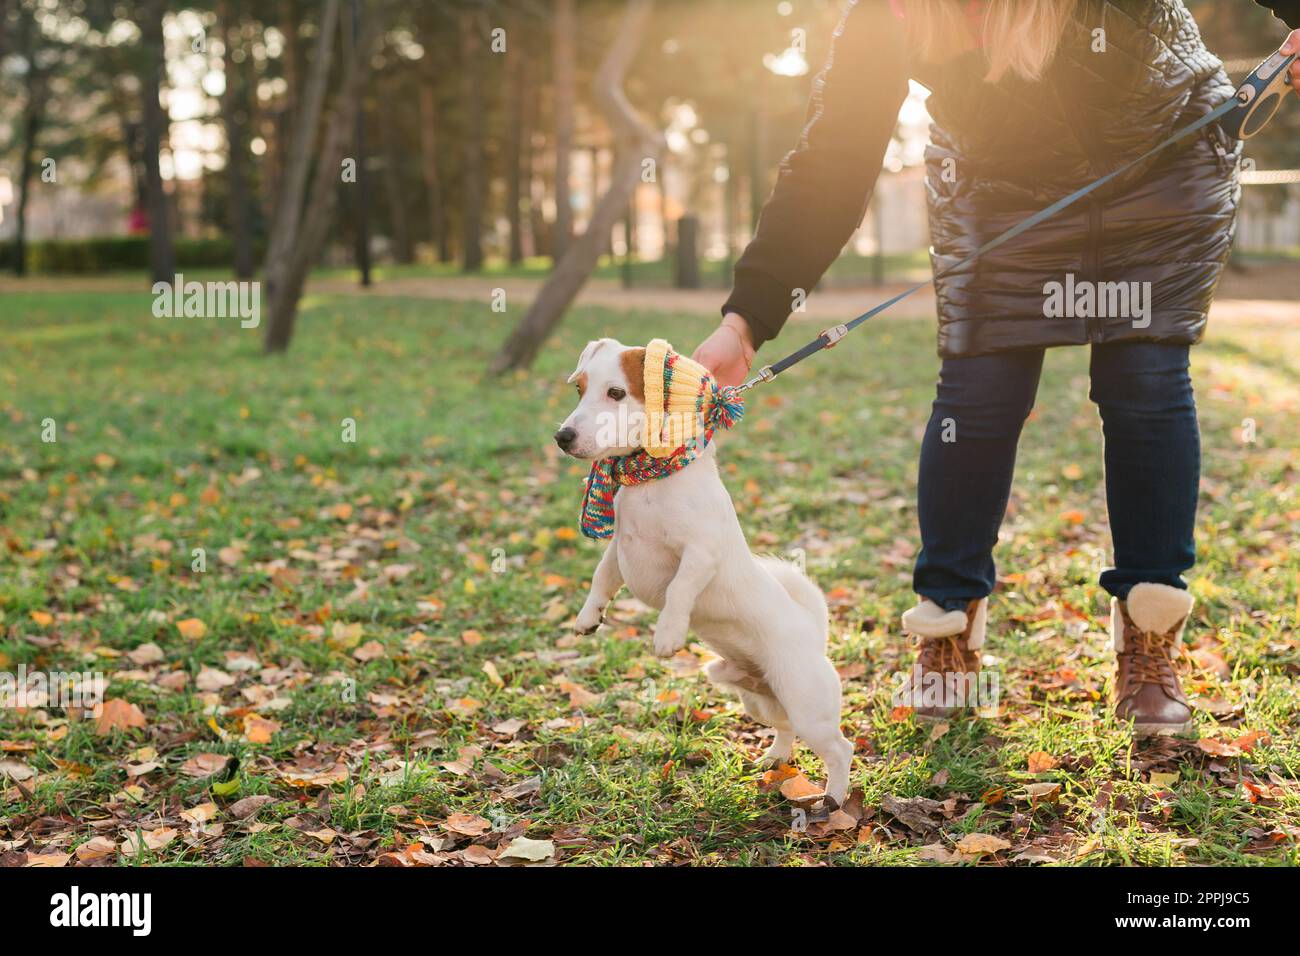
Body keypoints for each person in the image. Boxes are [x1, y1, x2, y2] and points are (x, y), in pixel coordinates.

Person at [694, 0, 1300, 734]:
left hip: (1159, 168)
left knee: (1142, 385)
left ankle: (1148, 630)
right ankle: (949, 633)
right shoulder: (887, 16)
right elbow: (835, 158)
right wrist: (747, 320)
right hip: (999, 191)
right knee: (978, 396)